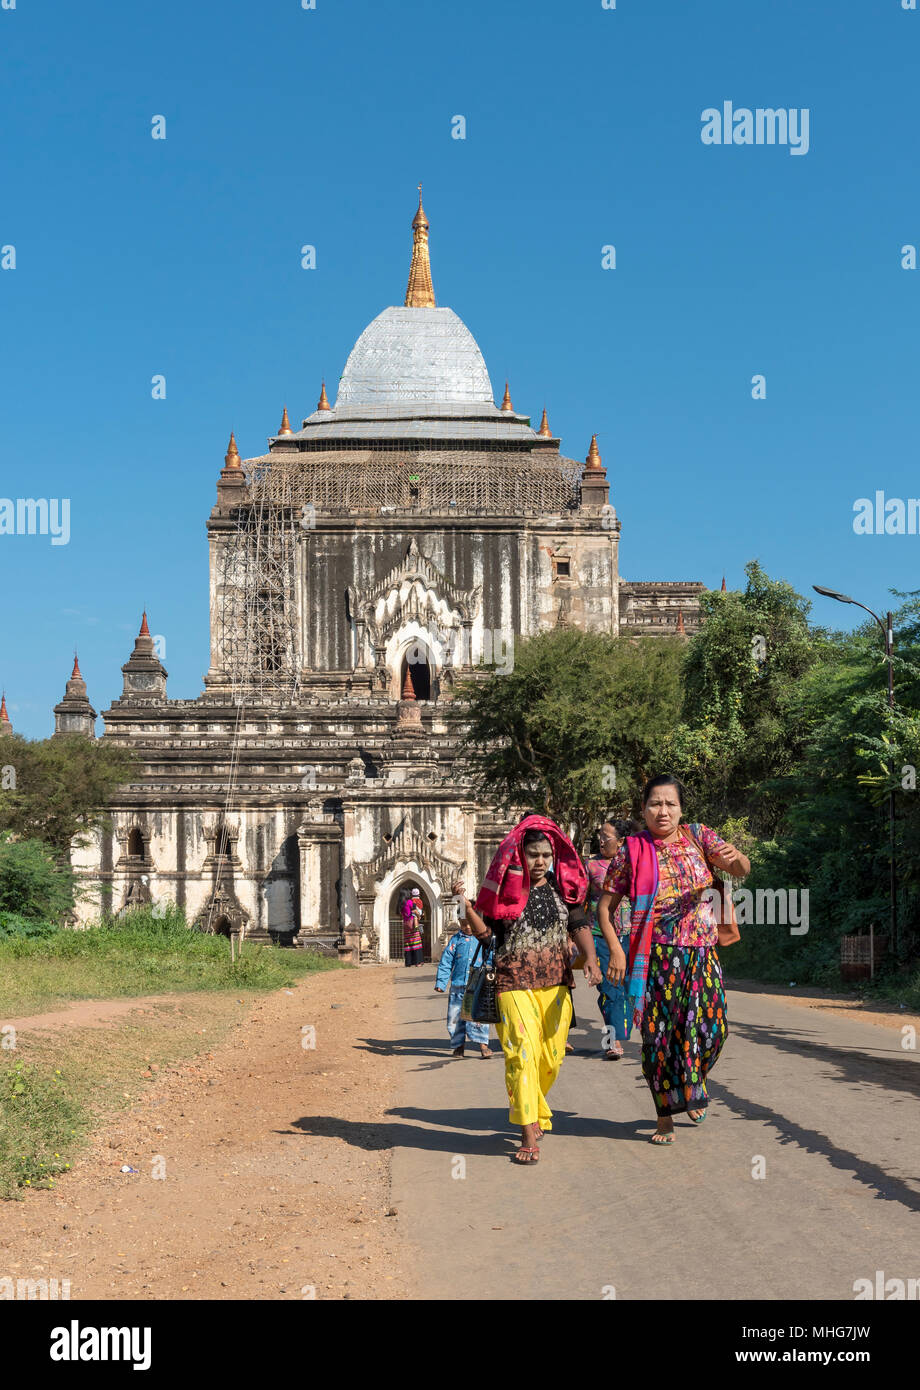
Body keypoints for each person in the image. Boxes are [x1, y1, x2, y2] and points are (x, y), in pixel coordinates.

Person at [598, 774, 750, 1145]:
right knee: (660, 1040)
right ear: (644, 808)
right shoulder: (631, 850)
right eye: (655, 803)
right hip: (656, 959)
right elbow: (605, 907)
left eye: (670, 804)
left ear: (681, 809)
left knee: (714, 1030)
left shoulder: (699, 836)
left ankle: (692, 1081)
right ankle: (664, 1116)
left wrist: (738, 859)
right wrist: (616, 948)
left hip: (700, 951)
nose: (662, 811)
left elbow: (740, 869)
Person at [454, 814, 602, 1164]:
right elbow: (486, 935)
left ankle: (533, 1105)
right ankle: (526, 1130)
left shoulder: (564, 889)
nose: (539, 862)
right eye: (533, 854)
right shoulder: (504, 891)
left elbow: (579, 924)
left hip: (556, 984)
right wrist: (466, 905)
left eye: (545, 856)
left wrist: (591, 959)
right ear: (520, 854)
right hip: (512, 982)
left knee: (551, 1056)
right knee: (522, 1052)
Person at [584, 818, 638, 1058]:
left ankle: (620, 1035)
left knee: (627, 989)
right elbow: (579, 902)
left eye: (606, 837)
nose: (601, 840)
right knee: (609, 988)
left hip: (631, 934)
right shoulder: (590, 866)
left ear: (621, 841)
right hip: (600, 935)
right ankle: (612, 1041)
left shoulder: (636, 863)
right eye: (600, 835)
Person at [434, 917, 492, 1058]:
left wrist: (491, 976)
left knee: (479, 1016)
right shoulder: (455, 940)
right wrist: (441, 983)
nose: (467, 927)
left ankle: (483, 1046)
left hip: (477, 986)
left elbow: (490, 958)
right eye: (464, 924)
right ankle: (459, 1047)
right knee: (455, 1017)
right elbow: (446, 961)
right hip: (457, 986)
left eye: (470, 923)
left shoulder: (483, 940)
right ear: (459, 923)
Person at [403, 889, 424, 967]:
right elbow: (415, 911)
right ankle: (418, 962)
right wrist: (418, 916)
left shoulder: (403, 903)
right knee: (417, 943)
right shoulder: (412, 902)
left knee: (408, 944)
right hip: (413, 924)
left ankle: (408, 962)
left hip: (406, 925)